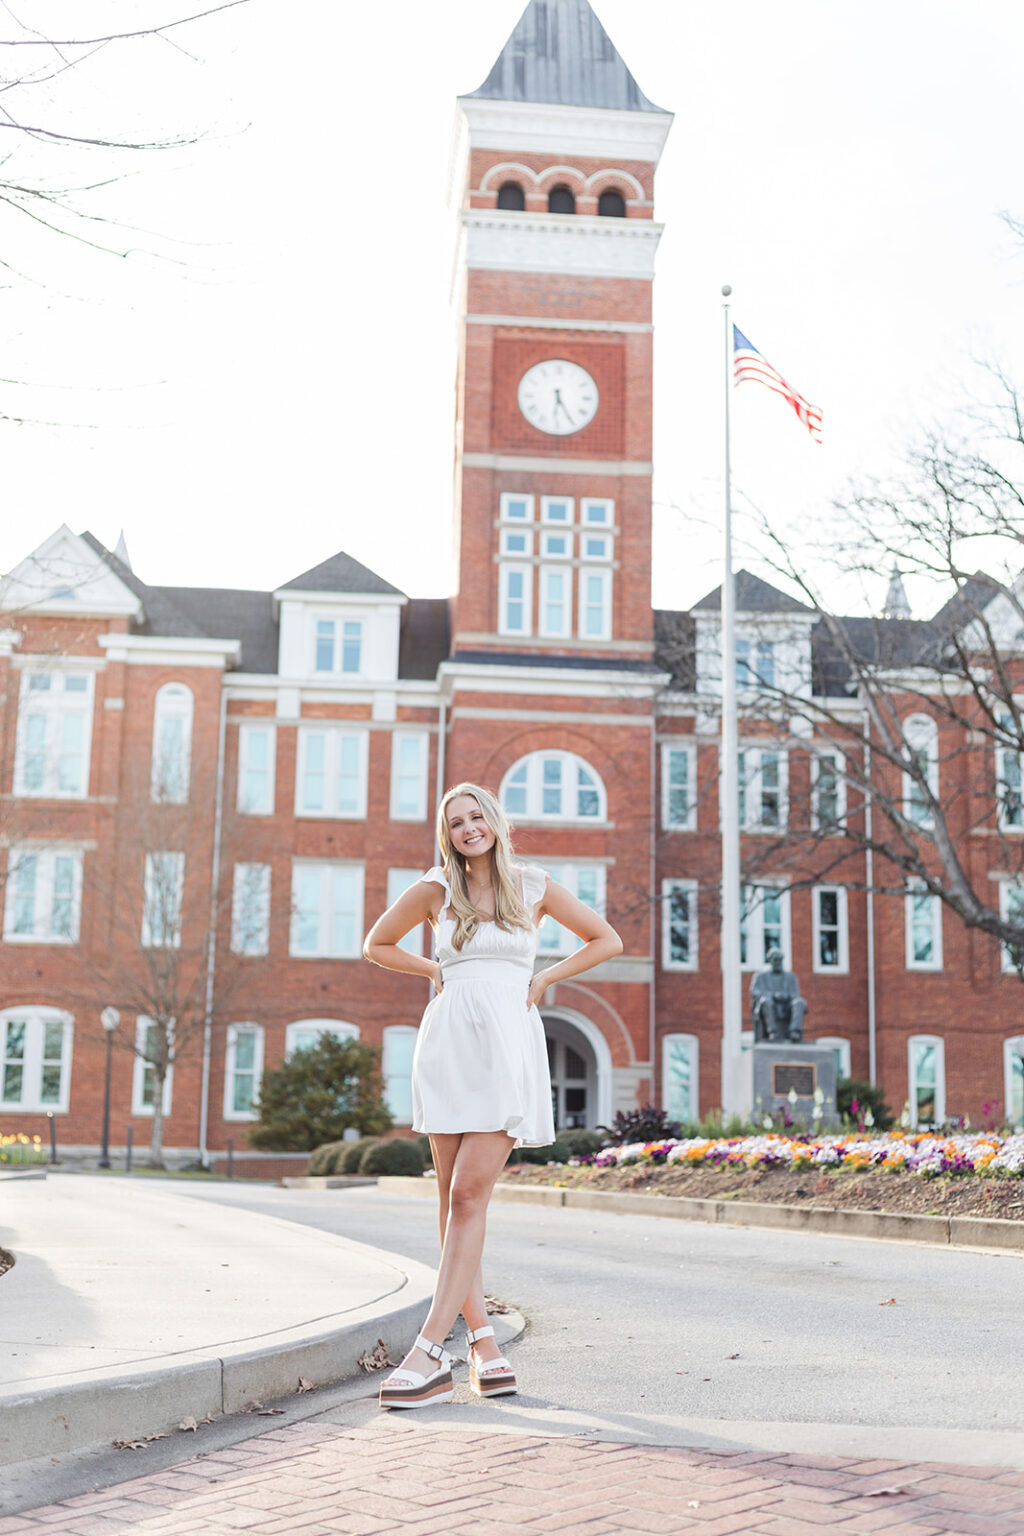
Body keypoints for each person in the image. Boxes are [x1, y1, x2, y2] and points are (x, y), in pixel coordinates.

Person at [362, 780, 622, 1409]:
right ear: (446, 835)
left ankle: (428, 1352)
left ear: (495, 821)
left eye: (476, 816)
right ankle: (483, 1345)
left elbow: (606, 939)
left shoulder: (531, 885)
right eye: (456, 822)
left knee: (470, 1192)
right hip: (450, 1045)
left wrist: (545, 980)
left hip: (507, 1045)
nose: (468, 828)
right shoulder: (436, 888)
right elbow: (376, 944)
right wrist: (433, 970)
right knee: (453, 1204)